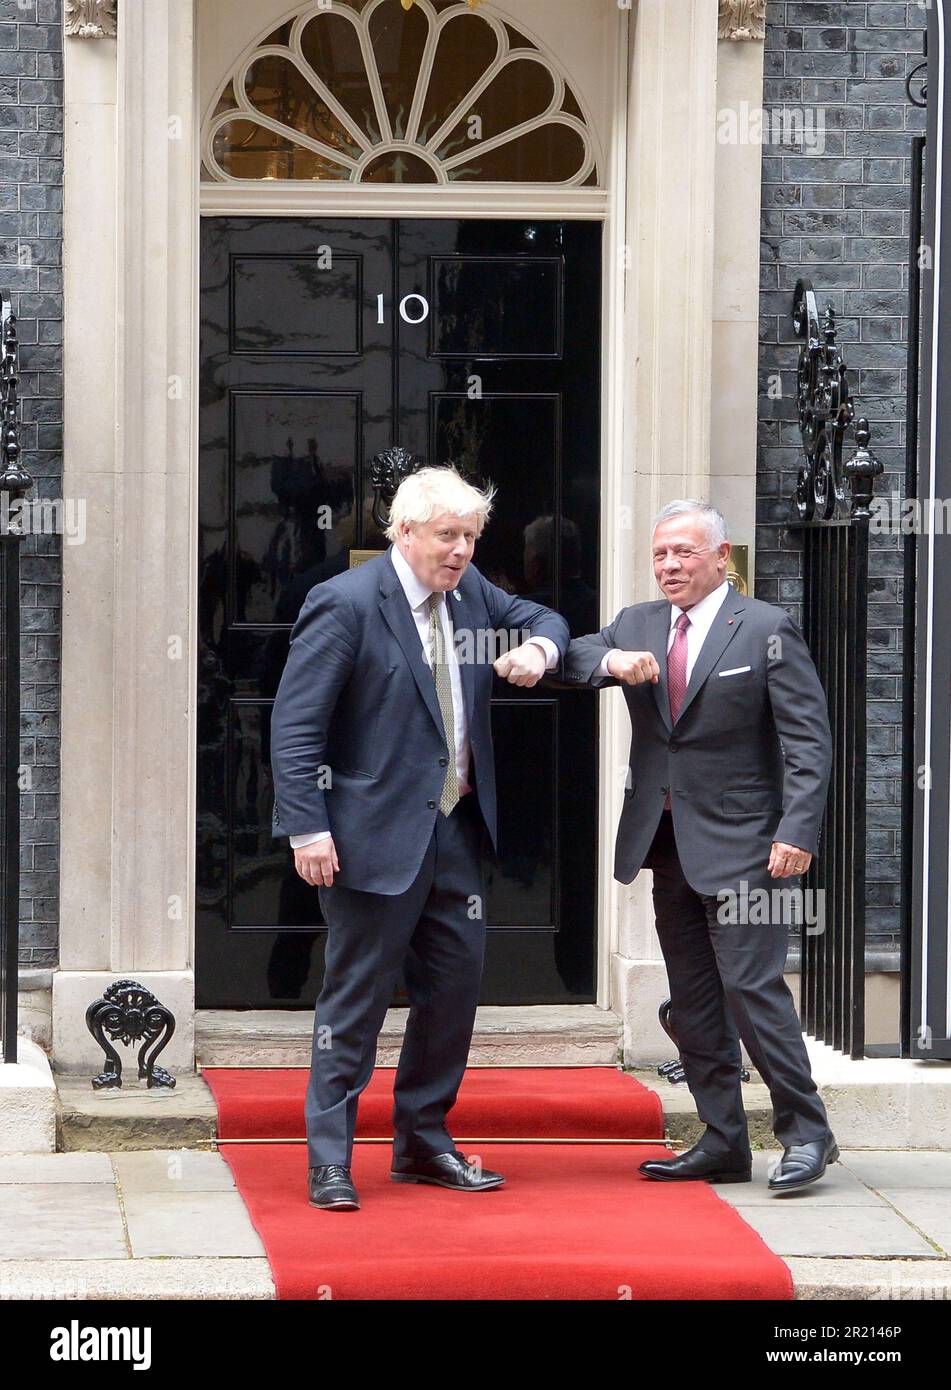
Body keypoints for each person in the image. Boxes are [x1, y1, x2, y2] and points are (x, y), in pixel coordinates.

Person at [270, 466, 569, 1210]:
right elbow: (295, 724)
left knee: (452, 997)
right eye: (447, 536)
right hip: (368, 838)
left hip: (456, 834)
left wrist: (538, 652)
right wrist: (307, 826)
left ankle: (422, 1141)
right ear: (402, 532)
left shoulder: (471, 596)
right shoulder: (342, 605)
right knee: (354, 1003)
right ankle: (331, 1159)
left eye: (470, 536)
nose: (462, 550)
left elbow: (545, 618)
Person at [563, 499, 838, 1193]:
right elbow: (574, 657)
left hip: (750, 846)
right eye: (659, 554)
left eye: (683, 552)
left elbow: (808, 741)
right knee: (691, 1000)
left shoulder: (765, 629)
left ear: (721, 558)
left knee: (750, 989)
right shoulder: (638, 623)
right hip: (667, 846)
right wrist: (614, 659)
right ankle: (721, 1140)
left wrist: (796, 832)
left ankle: (807, 1134)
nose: (668, 565)